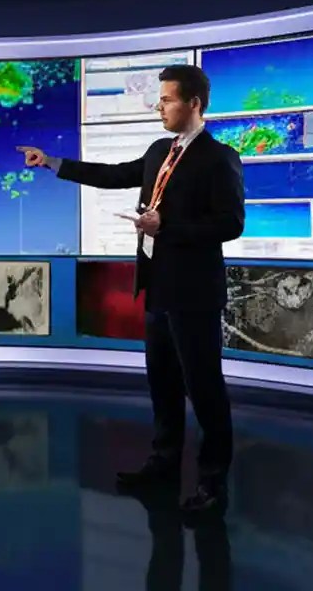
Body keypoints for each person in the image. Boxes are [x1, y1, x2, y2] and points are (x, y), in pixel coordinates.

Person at [17, 64, 244, 514]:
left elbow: (230, 224)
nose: (158, 105)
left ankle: (213, 485)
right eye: (159, 98)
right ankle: (163, 466)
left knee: (204, 390)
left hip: (194, 294)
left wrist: (168, 225)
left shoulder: (219, 158)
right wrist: (53, 163)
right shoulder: (161, 150)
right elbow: (115, 174)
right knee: (162, 384)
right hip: (158, 287)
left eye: (167, 99)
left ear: (194, 103)